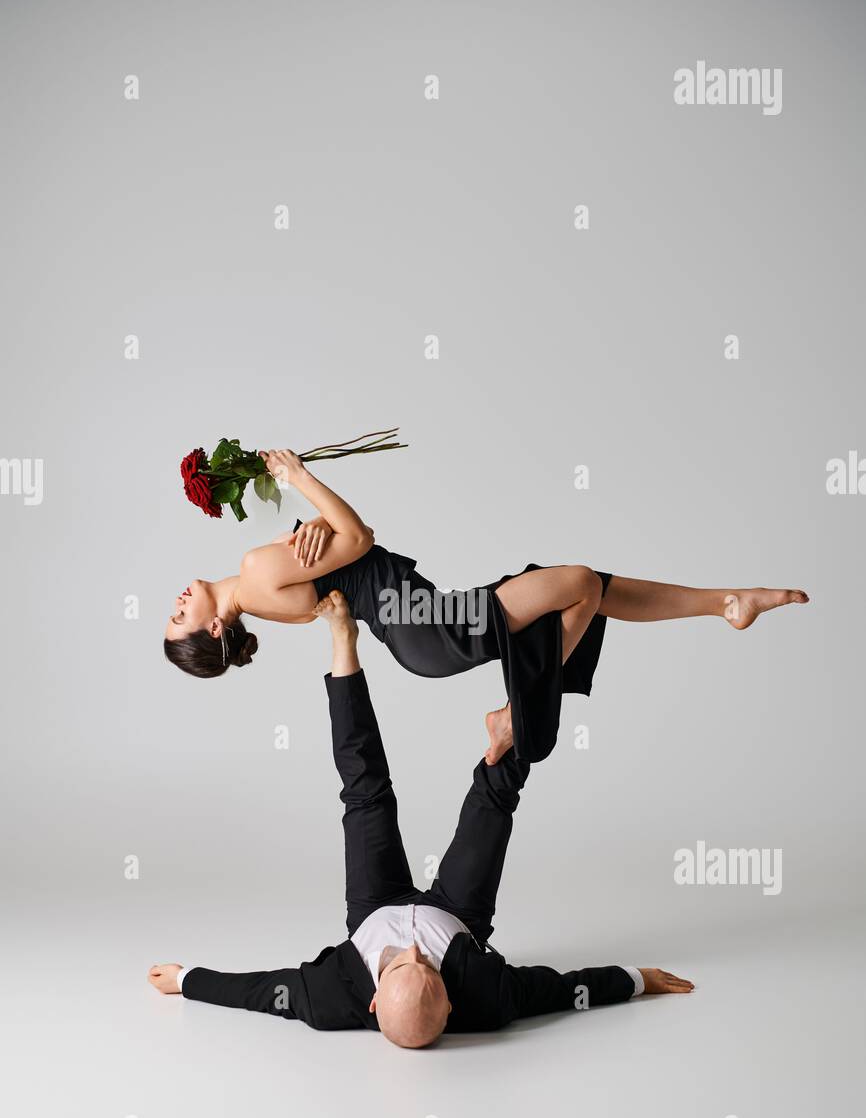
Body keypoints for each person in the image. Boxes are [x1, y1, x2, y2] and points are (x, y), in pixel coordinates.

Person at [149, 593, 694, 1048]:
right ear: (452, 999)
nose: (413, 951)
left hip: (372, 905)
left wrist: (185, 980)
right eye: (426, 967)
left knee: (366, 795)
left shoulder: (325, 998)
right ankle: (525, 701)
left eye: (400, 967)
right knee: (497, 794)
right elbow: (560, 989)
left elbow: (258, 991)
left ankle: (342, 640)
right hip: (457, 913)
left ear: (370, 999)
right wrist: (636, 980)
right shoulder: (490, 996)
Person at [163, 448, 808, 762]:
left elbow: (333, 552)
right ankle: (518, 718)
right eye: (179, 616)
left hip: (423, 630)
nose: (178, 601)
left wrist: (306, 522)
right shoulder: (252, 573)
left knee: (593, 587)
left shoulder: (260, 591)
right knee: (578, 581)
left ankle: (727, 602)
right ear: (215, 627)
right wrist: (300, 477)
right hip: (429, 626)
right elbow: (360, 538)